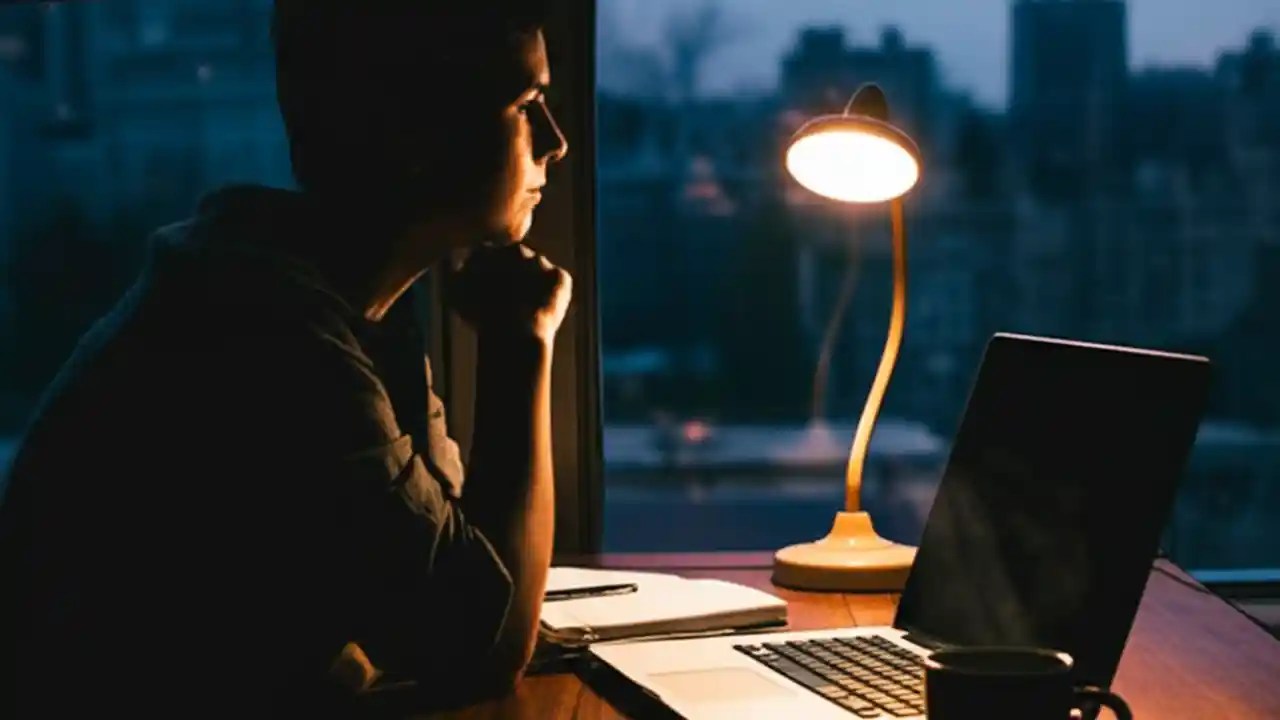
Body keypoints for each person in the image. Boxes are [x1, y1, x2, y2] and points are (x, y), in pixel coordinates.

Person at [0, 0, 570, 715]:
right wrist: (524, 345)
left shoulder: (336, 308)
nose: (556, 142)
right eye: (527, 104)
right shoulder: (274, 340)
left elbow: (451, 583)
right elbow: (481, 648)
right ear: (416, 132)